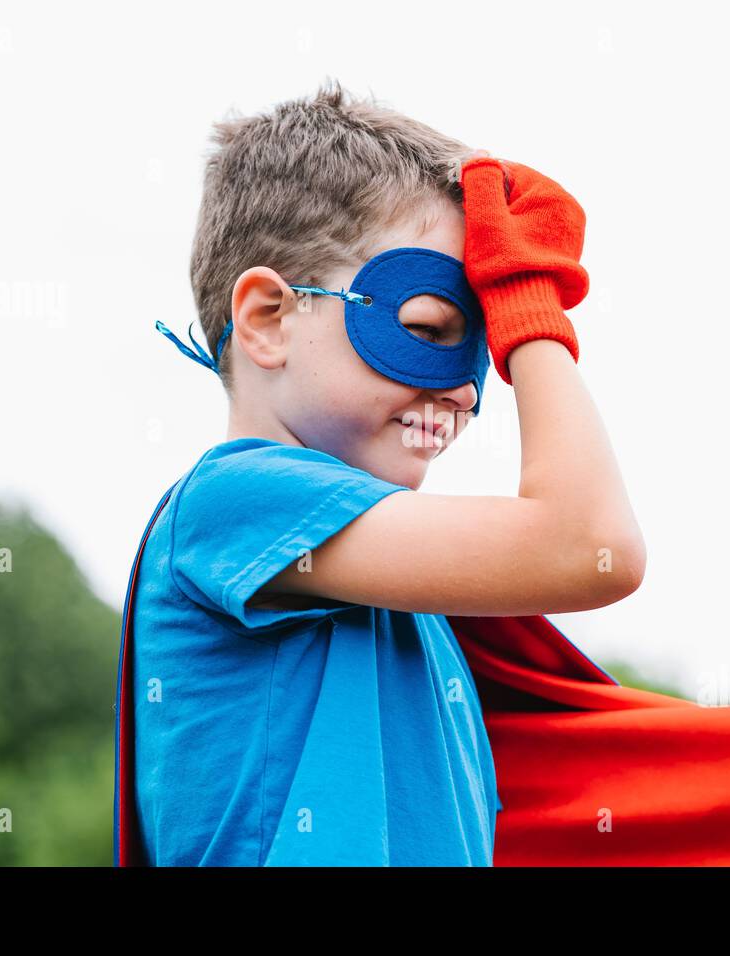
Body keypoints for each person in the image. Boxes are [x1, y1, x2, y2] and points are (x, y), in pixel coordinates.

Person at [122, 78, 645, 866]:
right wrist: (532, 307)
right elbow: (590, 545)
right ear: (267, 319)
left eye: (483, 344)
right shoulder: (232, 503)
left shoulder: (417, 615)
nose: (467, 388)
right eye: (428, 328)